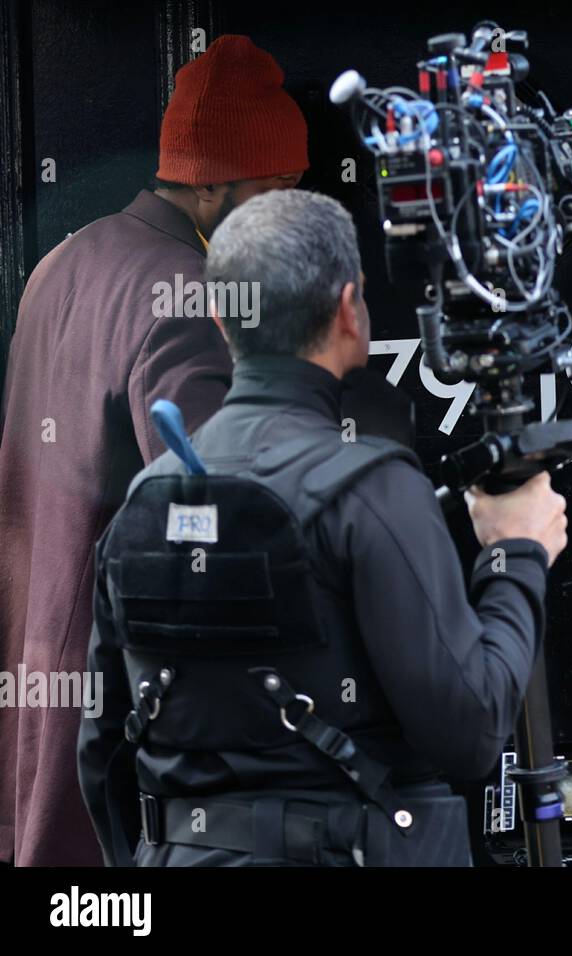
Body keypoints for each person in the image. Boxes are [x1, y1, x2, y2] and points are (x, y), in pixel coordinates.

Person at [77, 189, 567, 866]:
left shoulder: (143, 498)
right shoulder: (374, 488)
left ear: (221, 318)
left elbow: (101, 752)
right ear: (349, 309)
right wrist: (518, 554)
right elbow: (471, 731)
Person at [0, 34, 308, 866]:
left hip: (36, 693)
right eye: (276, 191)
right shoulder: (191, 293)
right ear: (210, 182)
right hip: (123, 730)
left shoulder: (59, 264)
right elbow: (213, 518)